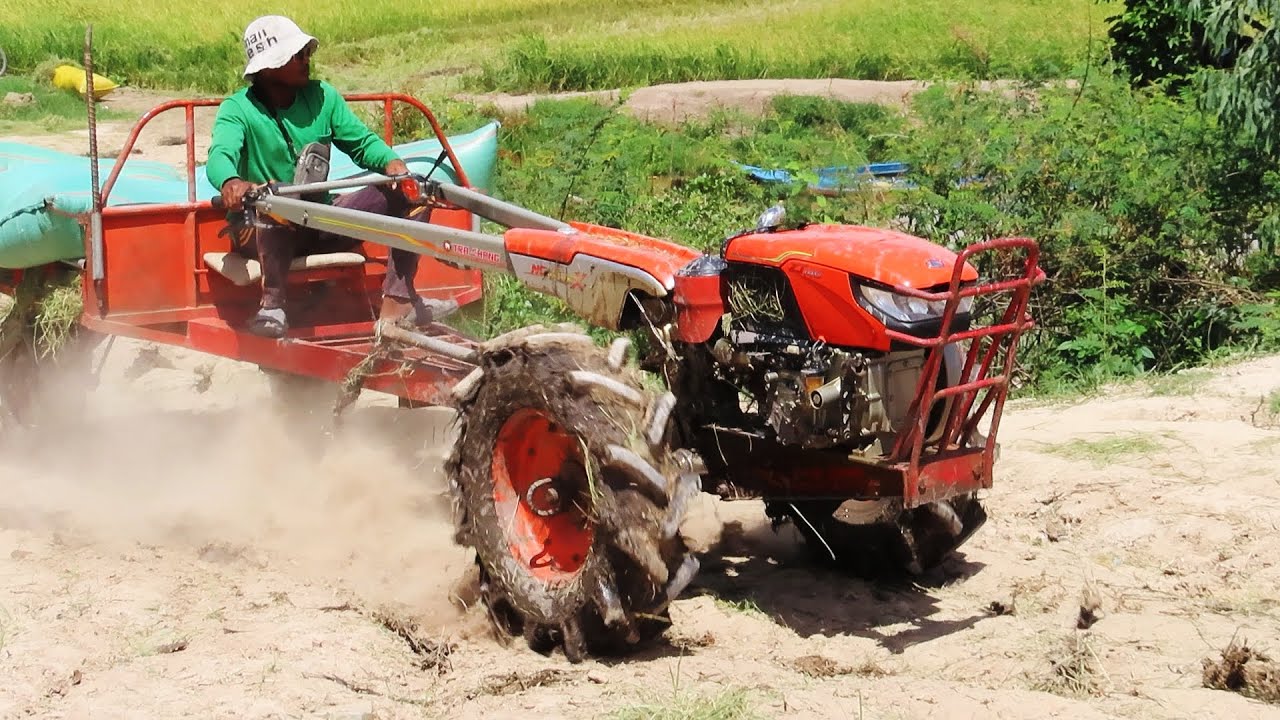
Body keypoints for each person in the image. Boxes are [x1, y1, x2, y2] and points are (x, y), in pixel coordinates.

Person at [206, 15, 436, 338]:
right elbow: (220, 155)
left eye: (306, 53)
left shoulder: (322, 97)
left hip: (319, 219)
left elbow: (362, 142)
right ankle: (272, 305)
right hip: (261, 231)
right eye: (297, 55)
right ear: (269, 66)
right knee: (276, 199)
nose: (306, 60)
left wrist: (393, 165)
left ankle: (397, 303)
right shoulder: (237, 109)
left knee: (415, 191)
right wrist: (232, 182)